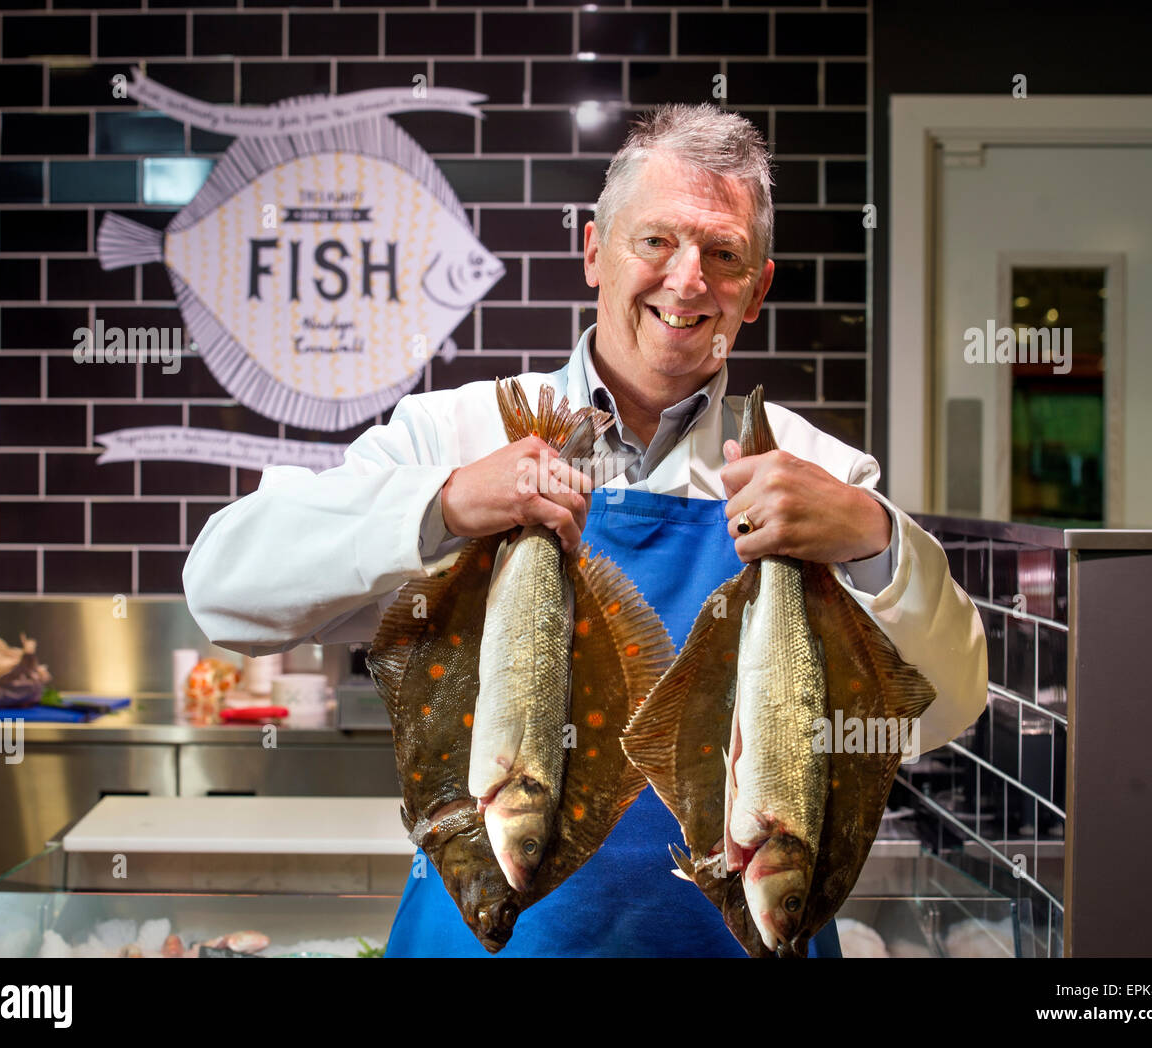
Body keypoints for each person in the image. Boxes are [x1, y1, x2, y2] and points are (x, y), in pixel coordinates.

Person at [183, 103, 987, 958]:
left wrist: (875, 536)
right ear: (593, 252)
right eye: (656, 242)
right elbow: (225, 592)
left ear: (757, 290)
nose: (687, 281)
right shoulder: (454, 436)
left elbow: (944, 712)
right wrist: (446, 504)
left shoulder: (818, 473)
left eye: (724, 256)